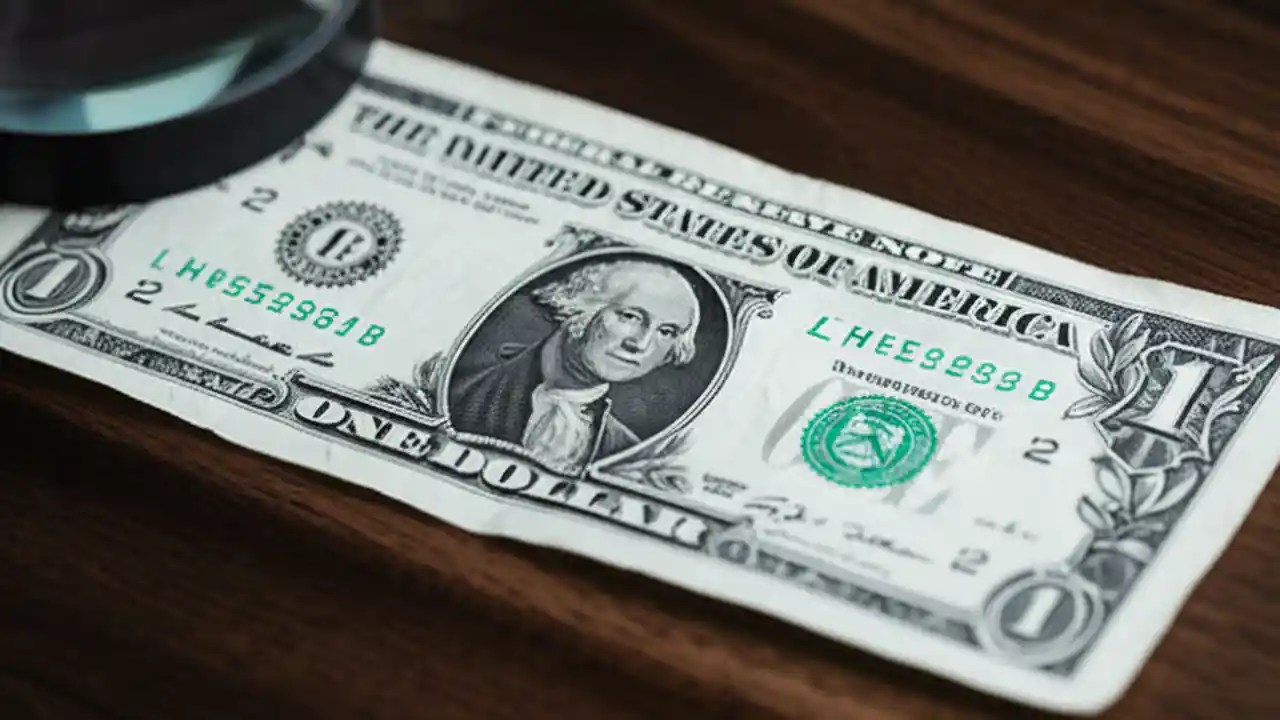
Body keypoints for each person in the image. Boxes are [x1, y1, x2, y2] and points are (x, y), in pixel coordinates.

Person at [448, 259, 700, 474]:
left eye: (666, 331)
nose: (641, 344)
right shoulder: (462, 387)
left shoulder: (625, 450)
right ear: (581, 308)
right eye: (630, 316)